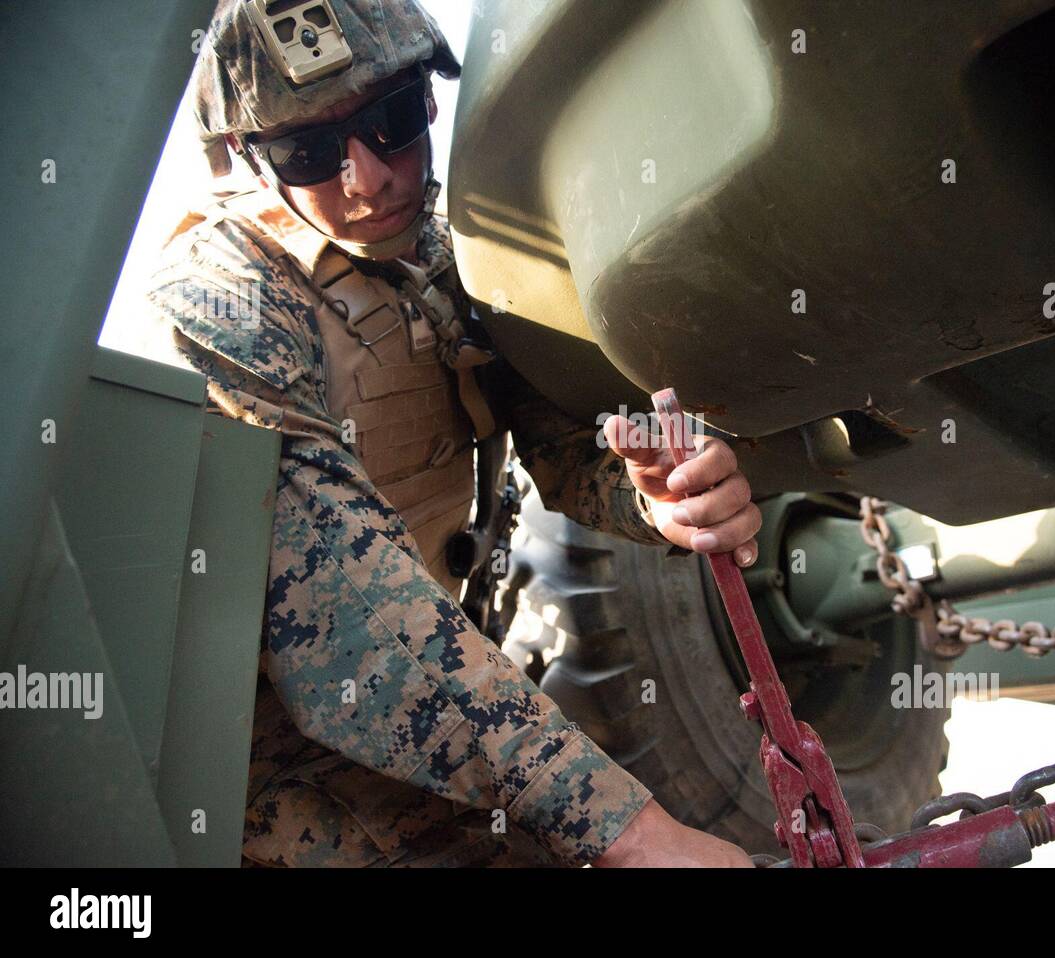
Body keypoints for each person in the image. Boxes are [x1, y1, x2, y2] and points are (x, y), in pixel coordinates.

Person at [146, 0, 760, 867]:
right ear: (249, 158)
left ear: (430, 103)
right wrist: (626, 827)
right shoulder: (223, 296)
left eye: (388, 123)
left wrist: (658, 498)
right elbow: (339, 595)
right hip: (246, 771)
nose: (366, 180)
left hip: (424, 727)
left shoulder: (445, 262)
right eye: (307, 153)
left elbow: (566, 448)